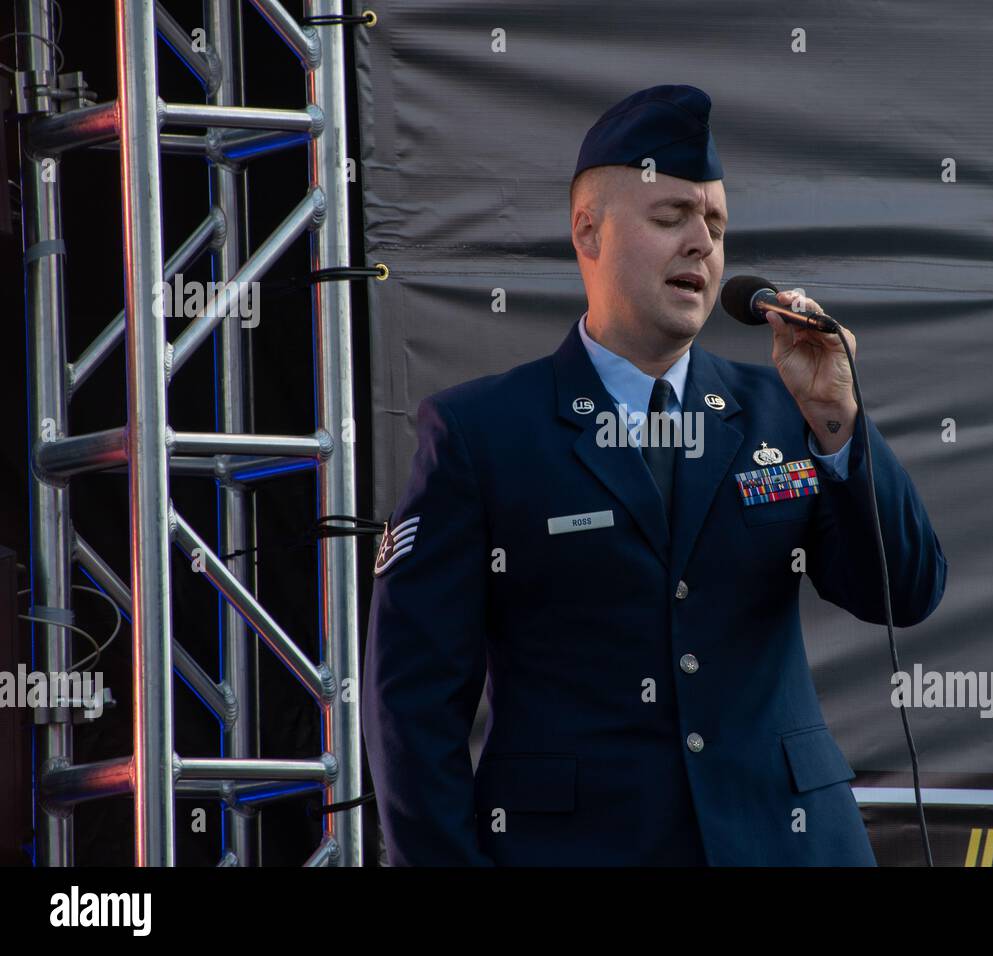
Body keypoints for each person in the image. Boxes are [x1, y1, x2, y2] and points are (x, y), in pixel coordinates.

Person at [362, 84, 948, 866]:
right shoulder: (481, 433)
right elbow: (412, 706)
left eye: (714, 223)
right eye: (670, 217)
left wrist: (840, 425)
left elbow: (903, 592)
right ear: (588, 230)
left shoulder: (784, 411)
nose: (701, 244)